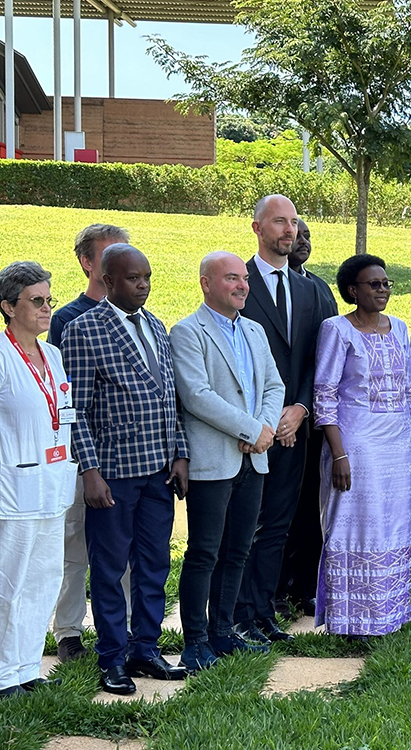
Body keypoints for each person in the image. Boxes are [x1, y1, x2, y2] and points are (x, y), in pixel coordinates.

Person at [61, 244, 189, 695]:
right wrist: (89, 471)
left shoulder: (155, 324)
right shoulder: (82, 331)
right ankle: (112, 658)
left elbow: (168, 397)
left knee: (154, 566)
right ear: (108, 281)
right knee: (110, 569)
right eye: (133, 278)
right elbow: (73, 410)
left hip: (159, 470)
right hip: (112, 474)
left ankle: (145, 649)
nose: (143, 285)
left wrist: (180, 453)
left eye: (147, 277)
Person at [171, 252, 285, 672]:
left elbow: (274, 384)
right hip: (213, 462)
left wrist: (264, 429)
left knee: (237, 550)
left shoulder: (254, 330)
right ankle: (195, 642)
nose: (242, 286)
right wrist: (250, 431)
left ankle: (222, 633)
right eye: (231, 278)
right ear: (206, 283)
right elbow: (197, 396)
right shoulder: (187, 332)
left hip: (253, 460)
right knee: (204, 552)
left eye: (244, 279)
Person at [313, 254, 411, 637]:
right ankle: (350, 620)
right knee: (356, 528)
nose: (383, 290)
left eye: (386, 283)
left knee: (392, 528)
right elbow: (325, 394)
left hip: (396, 444)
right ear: (352, 290)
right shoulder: (336, 330)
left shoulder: (399, 328)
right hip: (355, 443)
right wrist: (339, 453)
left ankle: (389, 615)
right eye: (374, 284)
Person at [235, 194, 325, 645]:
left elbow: (316, 359)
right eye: (278, 222)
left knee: (277, 525)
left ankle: (264, 610)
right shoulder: (237, 282)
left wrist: (300, 408)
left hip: (295, 427)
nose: (288, 230)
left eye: (292, 222)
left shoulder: (309, 289)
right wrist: (270, 419)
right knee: (242, 526)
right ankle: (235, 613)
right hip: (249, 431)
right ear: (257, 228)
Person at [48, 223, 130, 664]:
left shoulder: (137, 316)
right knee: (75, 544)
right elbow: (68, 396)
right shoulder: (68, 318)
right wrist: (84, 462)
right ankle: (68, 631)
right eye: (109, 253)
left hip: (128, 457)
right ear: (87, 262)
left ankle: (128, 626)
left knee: (127, 549)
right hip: (84, 455)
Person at [0, 262, 75, 699]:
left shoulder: (54, 355)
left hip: (52, 486)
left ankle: (27, 666)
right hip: (12, 490)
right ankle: (4, 672)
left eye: (50, 299)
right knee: (9, 581)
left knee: (44, 578)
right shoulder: (3, 356)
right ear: (9, 307)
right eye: (36, 301)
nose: (47, 308)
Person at [277, 217, 337, 617]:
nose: (304, 241)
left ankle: (305, 587)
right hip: (273, 416)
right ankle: (275, 588)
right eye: (297, 234)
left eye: (309, 235)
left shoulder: (319, 288)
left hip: (314, 414)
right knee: (280, 507)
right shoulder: (257, 283)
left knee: (311, 507)